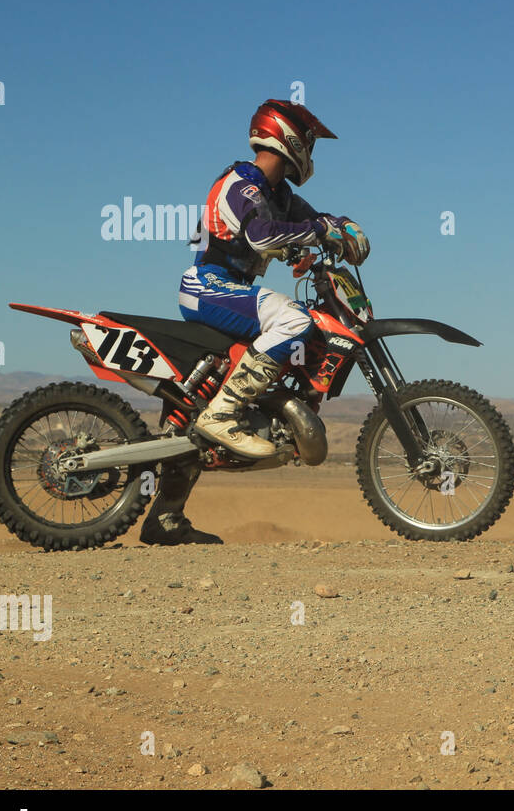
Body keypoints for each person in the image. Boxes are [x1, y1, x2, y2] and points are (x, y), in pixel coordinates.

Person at [139, 99, 369, 546]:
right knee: (292, 319)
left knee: (189, 412)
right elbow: (261, 234)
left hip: (230, 289)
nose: (311, 152)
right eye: (308, 141)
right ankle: (226, 415)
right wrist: (322, 233)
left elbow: (311, 219)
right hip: (208, 285)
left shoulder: (279, 192)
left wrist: (342, 226)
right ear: (288, 137)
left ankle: (163, 518)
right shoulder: (240, 183)